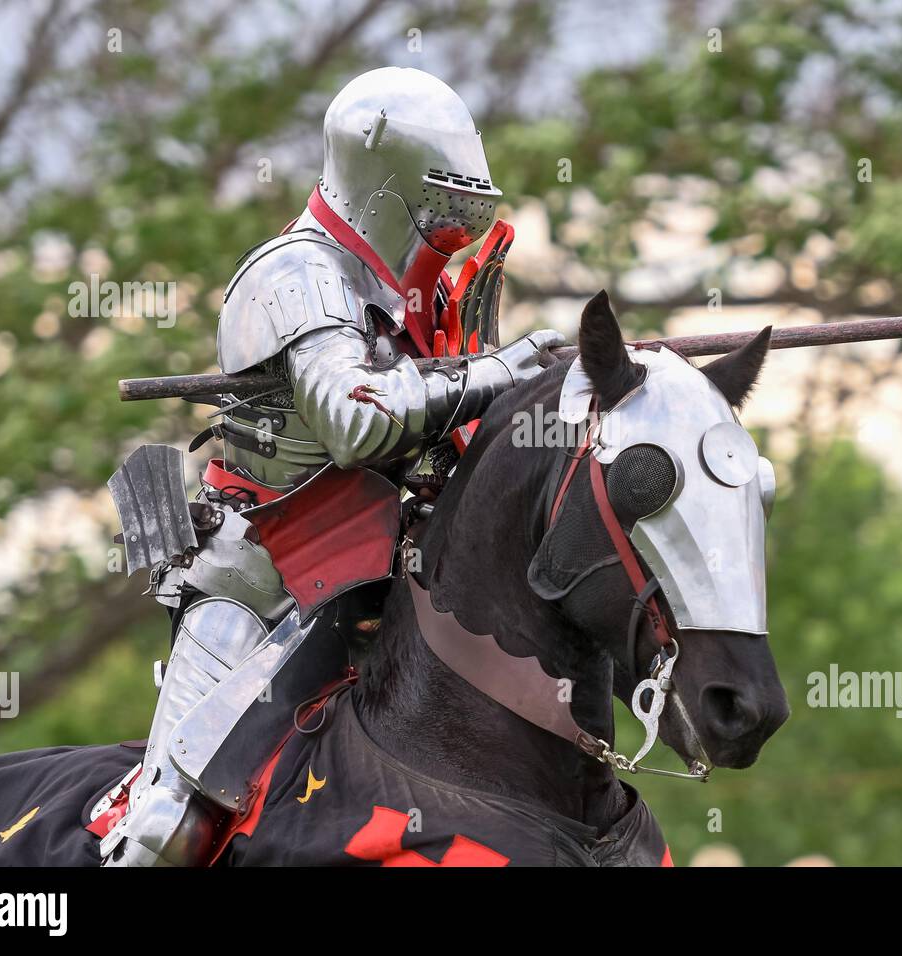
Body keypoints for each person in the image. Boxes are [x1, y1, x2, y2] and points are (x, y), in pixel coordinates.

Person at [102, 67, 564, 866]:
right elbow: (356, 423)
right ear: (384, 183)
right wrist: (505, 369)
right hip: (266, 581)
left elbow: (458, 430)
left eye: (462, 206)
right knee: (166, 836)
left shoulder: (418, 294)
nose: (449, 225)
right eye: (438, 201)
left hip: (387, 576)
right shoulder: (298, 274)